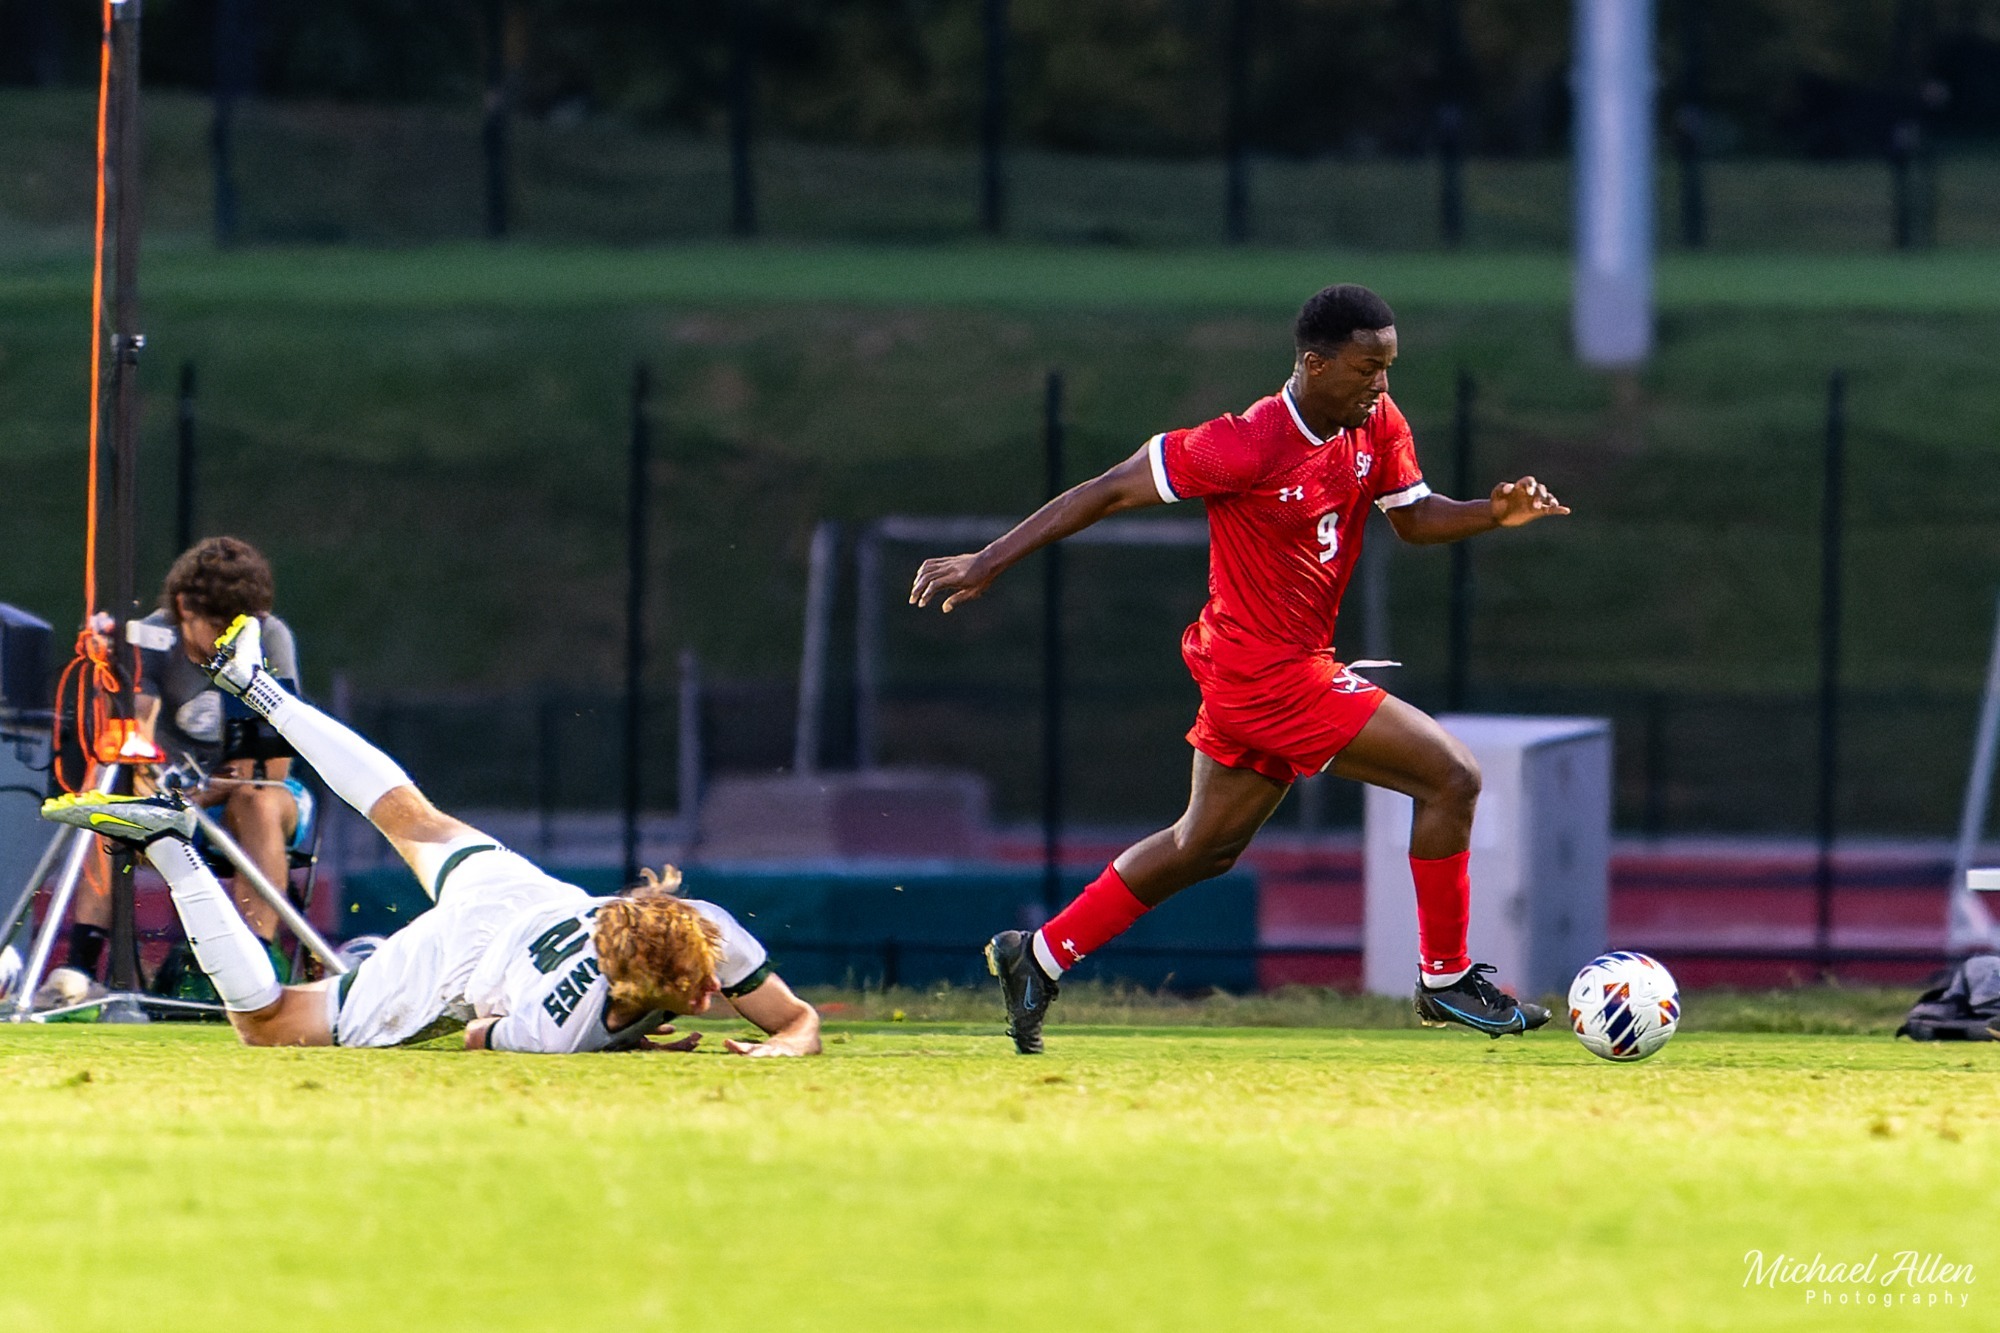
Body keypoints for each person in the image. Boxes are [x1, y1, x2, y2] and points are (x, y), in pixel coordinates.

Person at [910, 284, 1571, 1053]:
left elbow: (1415, 517)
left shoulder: (1375, 422)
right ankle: (1445, 979)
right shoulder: (1244, 443)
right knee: (1452, 777)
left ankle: (1040, 955)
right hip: (1269, 677)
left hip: (1271, 670)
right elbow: (1106, 489)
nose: (1381, 385)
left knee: (1205, 846)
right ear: (1314, 363)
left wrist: (1494, 512)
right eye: (1366, 369)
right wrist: (987, 560)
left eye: (1388, 368)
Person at [43, 614, 820, 1056]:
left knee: (404, 812)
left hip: (524, 896)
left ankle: (255, 686)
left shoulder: (707, 931)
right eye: (689, 988)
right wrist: (615, 1044)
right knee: (270, 1026)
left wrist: (780, 1047)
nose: (711, 990)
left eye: (702, 973)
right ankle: (174, 846)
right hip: (463, 956)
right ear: (635, 988)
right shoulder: (556, 1030)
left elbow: (799, 1024)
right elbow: (481, 1037)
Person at [61, 537, 308, 989]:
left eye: (238, 625)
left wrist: (214, 790)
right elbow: (139, 730)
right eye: (216, 625)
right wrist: (109, 677)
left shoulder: (270, 637)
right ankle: (78, 968)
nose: (225, 639)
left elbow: (272, 768)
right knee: (106, 793)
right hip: (173, 790)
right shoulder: (154, 637)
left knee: (258, 801)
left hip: (252, 793)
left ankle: (257, 962)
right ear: (184, 610)